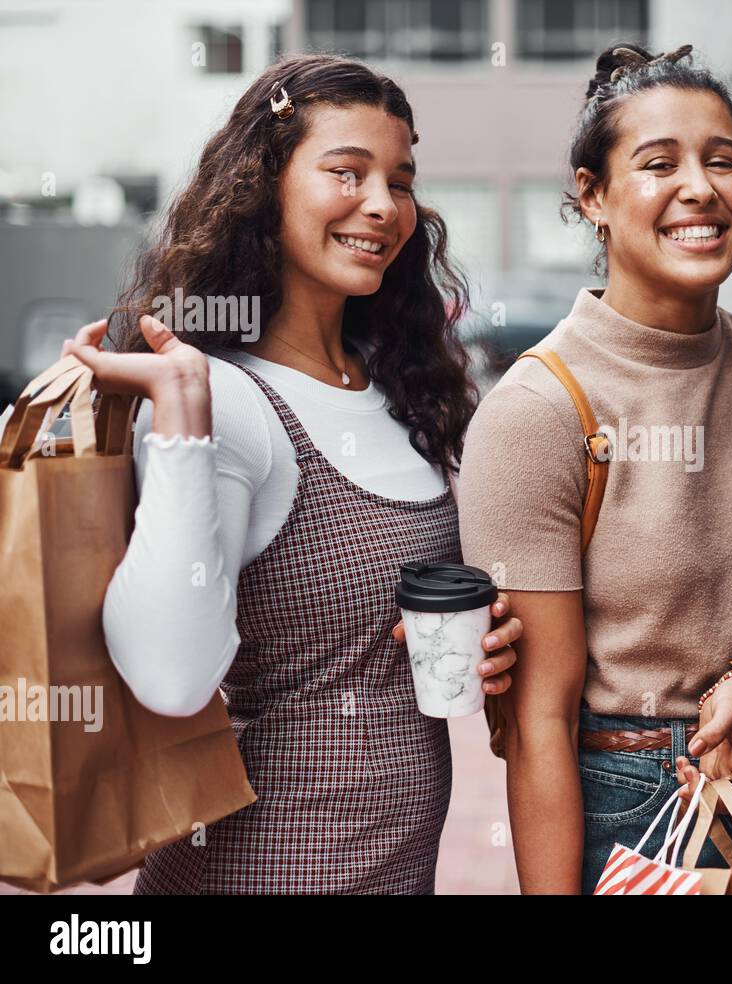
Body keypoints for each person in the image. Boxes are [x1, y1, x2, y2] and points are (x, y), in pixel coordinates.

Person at [61, 54, 521, 893]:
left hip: (394, 871)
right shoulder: (227, 402)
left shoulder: (393, 382)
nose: (383, 206)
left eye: (401, 180)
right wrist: (184, 416)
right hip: (254, 871)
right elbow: (169, 678)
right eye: (347, 173)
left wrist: (484, 644)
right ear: (264, 186)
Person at [456, 43, 732, 893]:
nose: (699, 189)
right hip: (630, 801)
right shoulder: (538, 410)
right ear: (591, 195)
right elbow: (538, 724)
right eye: (657, 163)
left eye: (724, 162)